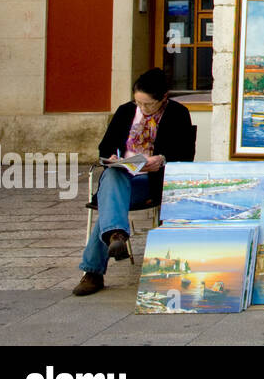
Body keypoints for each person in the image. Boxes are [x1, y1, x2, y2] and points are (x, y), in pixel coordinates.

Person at [73, 68, 195, 296]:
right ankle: (115, 236)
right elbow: (105, 147)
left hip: (151, 182)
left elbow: (186, 154)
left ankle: (95, 268)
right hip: (121, 176)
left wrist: (162, 159)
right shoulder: (124, 111)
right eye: (138, 103)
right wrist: (112, 158)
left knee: (110, 205)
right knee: (113, 175)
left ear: (163, 98)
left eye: (148, 105)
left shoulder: (178, 113)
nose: (142, 109)